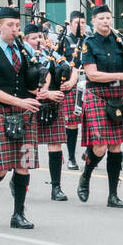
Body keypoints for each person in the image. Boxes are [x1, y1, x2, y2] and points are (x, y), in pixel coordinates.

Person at [0, 5, 42, 228]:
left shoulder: (27, 51)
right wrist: (20, 101)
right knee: (2, 167)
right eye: (10, 25)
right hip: (3, 113)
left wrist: (39, 88)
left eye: (17, 25)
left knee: (24, 164)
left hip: (25, 115)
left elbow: (34, 83)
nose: (15, 29)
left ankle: (18, 214)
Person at [76, 3, 123, 208]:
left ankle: (113, 195)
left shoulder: (120, 41)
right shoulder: (89, 43)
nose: (106, 21)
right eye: (101, 18)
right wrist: (121, 75)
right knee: (100, 144)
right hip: (97, 94)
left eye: (108, 18)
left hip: (118, 94)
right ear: (94, 21)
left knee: (115, 145)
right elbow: (92, 74)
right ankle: (86, 174)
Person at [24, 23, 78, 202]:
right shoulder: (23, 56)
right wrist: (44, 93)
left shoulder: (51, 54)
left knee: (55, 144)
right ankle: (21, 182)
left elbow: (71, 67)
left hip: (52, 104)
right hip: (30, 104)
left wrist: (70, 82)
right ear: (25, 40)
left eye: (40, 37)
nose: (38, 41)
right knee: (28, 148)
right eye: (33, 38)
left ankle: (56, 187)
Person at [61, 10, 88, 169]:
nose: (81, 25)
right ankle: (71, 157)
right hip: (72, 86)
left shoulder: (90, 40)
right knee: (72, 123)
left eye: (83, 23)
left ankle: (89, 151)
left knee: (91, 120)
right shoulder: (64, 41)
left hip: (89, 83)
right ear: (70, 24)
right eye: (78, 23)